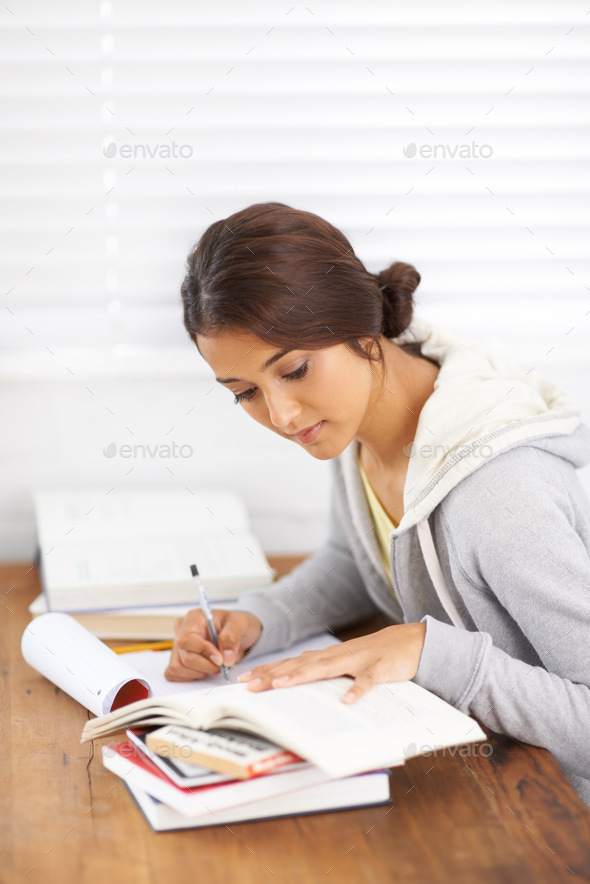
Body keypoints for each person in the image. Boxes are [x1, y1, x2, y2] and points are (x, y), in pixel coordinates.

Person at [167, 200, 590, 806]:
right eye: (244, 393)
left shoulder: (501, 494)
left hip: (558, 823)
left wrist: (428, 651)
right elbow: (359, 560)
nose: (281, 416)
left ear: (362, 329)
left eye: (295, 370)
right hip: (471, 779)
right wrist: (261, 617)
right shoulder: (353, 426)